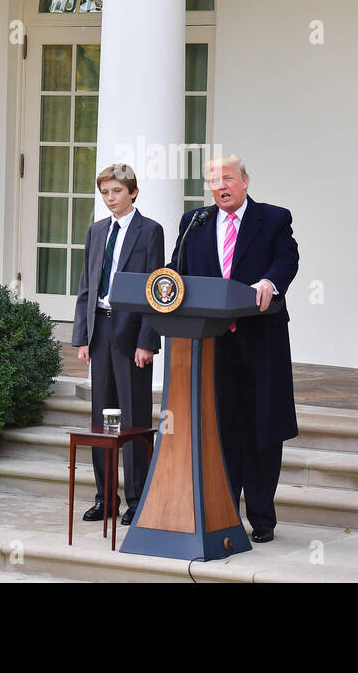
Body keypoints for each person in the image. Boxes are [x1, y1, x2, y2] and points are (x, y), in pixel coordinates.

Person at [170, 155, 299, 543]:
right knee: (219, 427)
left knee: (261, 428)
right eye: (213, 180)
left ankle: (262, 517)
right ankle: (223, 511)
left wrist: (269, 282)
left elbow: (287, 260)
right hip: (213, 342)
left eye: (227, 178)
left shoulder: (274, 219)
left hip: (260, 341)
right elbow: (176, 267)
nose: (220, 186)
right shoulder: (195, 222)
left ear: (245, 181)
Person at [72, 164, 164, 526]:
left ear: (133, 192)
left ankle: (137, 498)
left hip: (132, 336)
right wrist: (83, 337)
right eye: (106, 193)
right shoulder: (96, 232)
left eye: (117, 192)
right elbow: (86, 286)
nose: (111, 199)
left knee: (134, 418)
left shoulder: (150, 232)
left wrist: (147, 341)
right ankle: (104, 497)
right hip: (101, 333)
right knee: (103, 419)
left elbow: (157, 290)